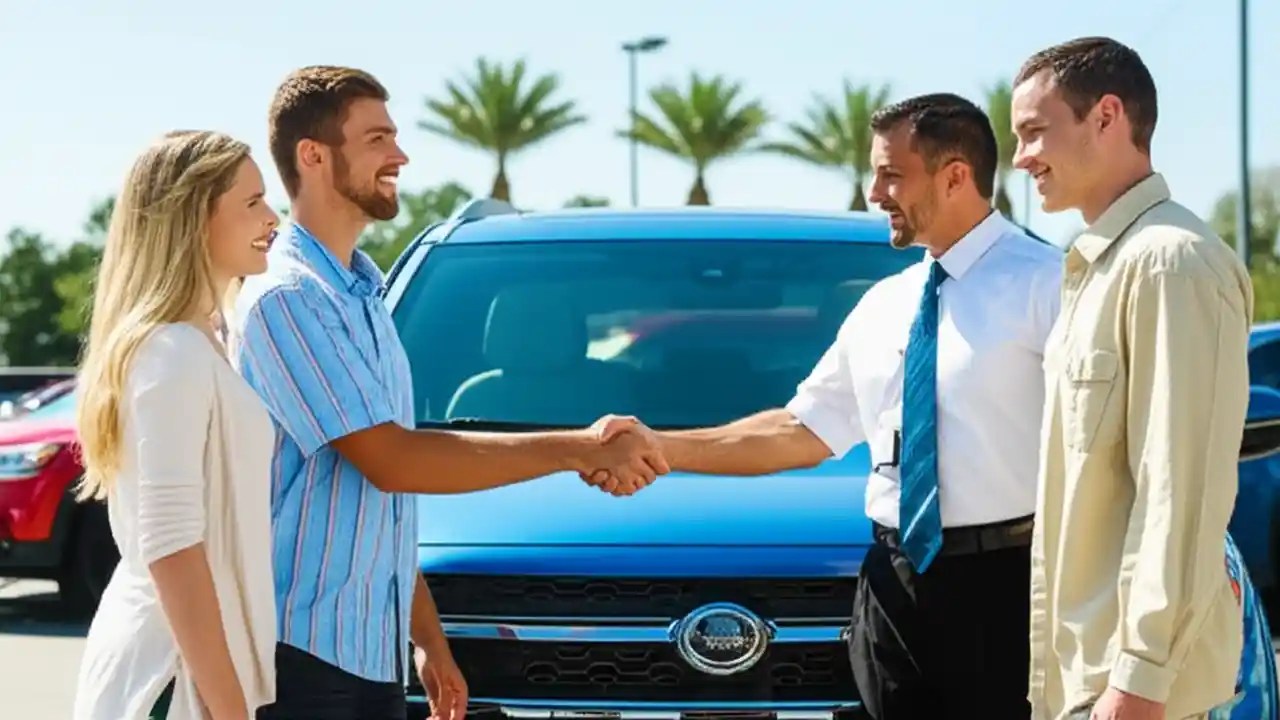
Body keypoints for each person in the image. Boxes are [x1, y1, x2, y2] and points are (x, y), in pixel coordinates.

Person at [589, 93, 1063, 719]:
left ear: (956, 177)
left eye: (892, 174)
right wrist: (660, 447)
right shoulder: (886, 304)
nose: (874, 192)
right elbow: (799, 429)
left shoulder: (1051, 284)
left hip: (1010, 591)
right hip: (893, 591)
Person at [233, 65, 666, 720]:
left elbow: (388, 508)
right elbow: (393, 460)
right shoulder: (290, 300)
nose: (400, 155)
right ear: (313, 155)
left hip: (367, 655)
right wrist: (580, 448)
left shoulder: (365, 300)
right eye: (378, 138)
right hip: (301, 655)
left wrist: (429, 641)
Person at [1010, 37, 1250, 720]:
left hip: (1138, 694)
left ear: (1108, 116)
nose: (1023, 156)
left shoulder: (1170, 264)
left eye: (1034, 131)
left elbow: (1183, 491)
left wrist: (1140, 678)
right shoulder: (1100, 268)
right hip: (1089, 680)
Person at [71, 130, 281, 719]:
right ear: (193, 220)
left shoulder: (205, 344)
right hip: (169, 678)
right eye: (252, 202)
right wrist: (231, 710)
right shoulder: (171, 353)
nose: (272, 216)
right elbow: (172, 550)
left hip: (182, 671)